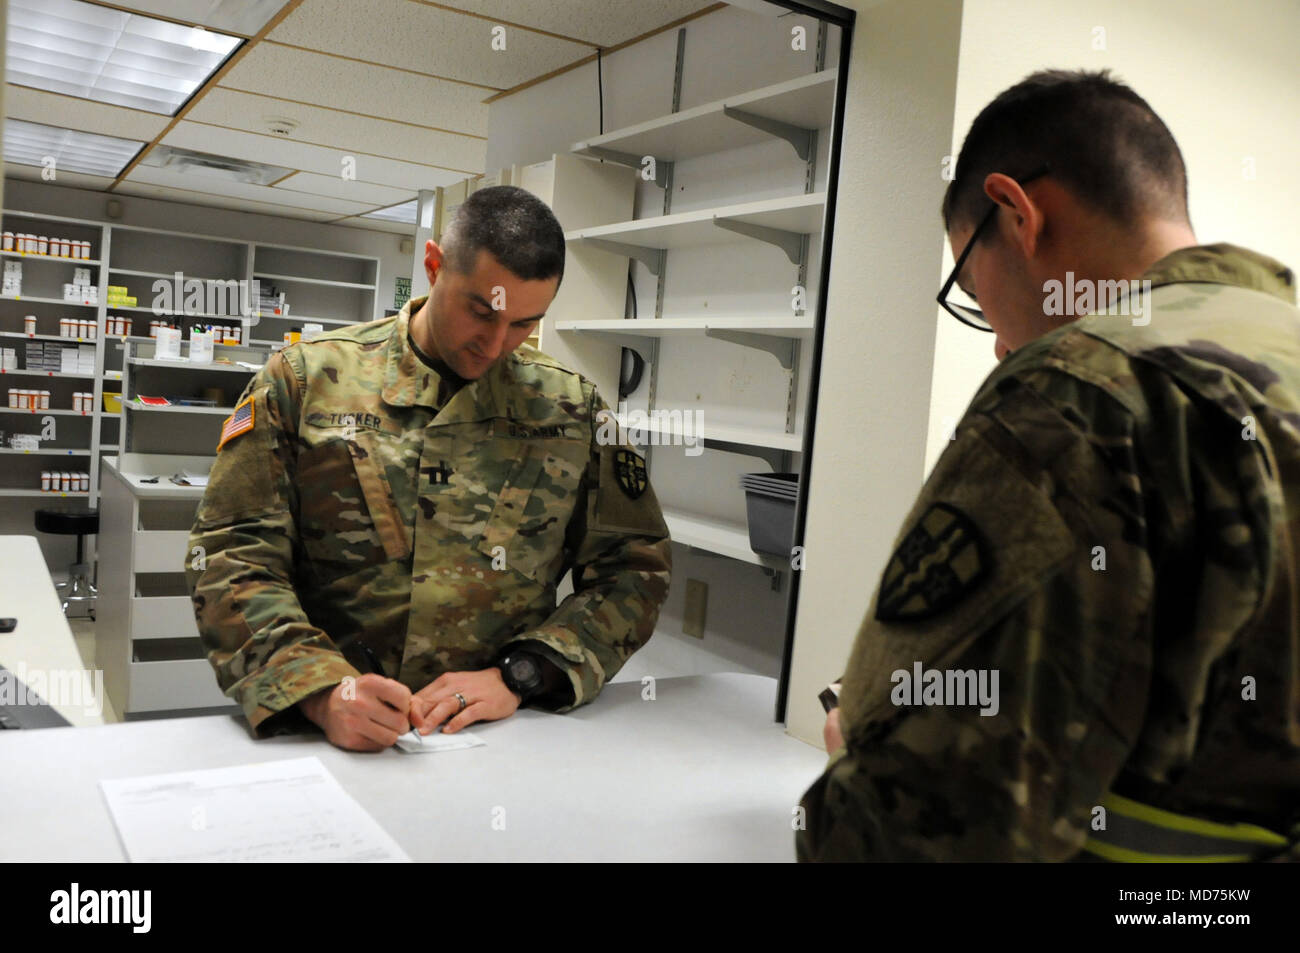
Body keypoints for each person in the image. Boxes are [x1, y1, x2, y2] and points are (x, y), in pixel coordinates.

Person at [798, 69, 1300, 861]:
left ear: (1017, 213)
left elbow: (924, 824)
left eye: (969, 281)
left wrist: (856, 754)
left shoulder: (1080, 390)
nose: (997, 340)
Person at [186, 186, 671, 752]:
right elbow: (231, 556)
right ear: (435, 265)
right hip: (329, 734)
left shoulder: (570, 409)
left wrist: (524, 674)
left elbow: (635, 567)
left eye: (523, 324)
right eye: (480, 311)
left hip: (504, 739)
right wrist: (318, 690)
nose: (495, 344)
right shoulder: (303, 381)